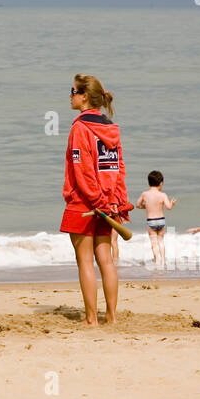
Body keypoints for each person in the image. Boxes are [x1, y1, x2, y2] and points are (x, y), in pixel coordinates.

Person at [60, 74, 129, 326]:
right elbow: (118, 168)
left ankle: (91, 318)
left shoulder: (80, 128)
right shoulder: (110, 127)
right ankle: (110, 316)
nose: (70, 96)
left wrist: (96, 201)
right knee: (106, 260)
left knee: (85, 261)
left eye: (73, 91)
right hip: (109, 203)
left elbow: (83, 170)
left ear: (84, 96)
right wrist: (117, 201)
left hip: (85, 204)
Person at [136, 170, 175, 268]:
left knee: (154, 242)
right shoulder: (163, 195)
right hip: (161, 220)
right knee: (161, 241)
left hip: (151, 221)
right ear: (161, 183)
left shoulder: (145, 194)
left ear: (149, 182)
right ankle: (162, 261)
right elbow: (168, 207)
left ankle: (157, 260)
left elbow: (137, 205)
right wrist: (172, 203)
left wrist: (145, 206)